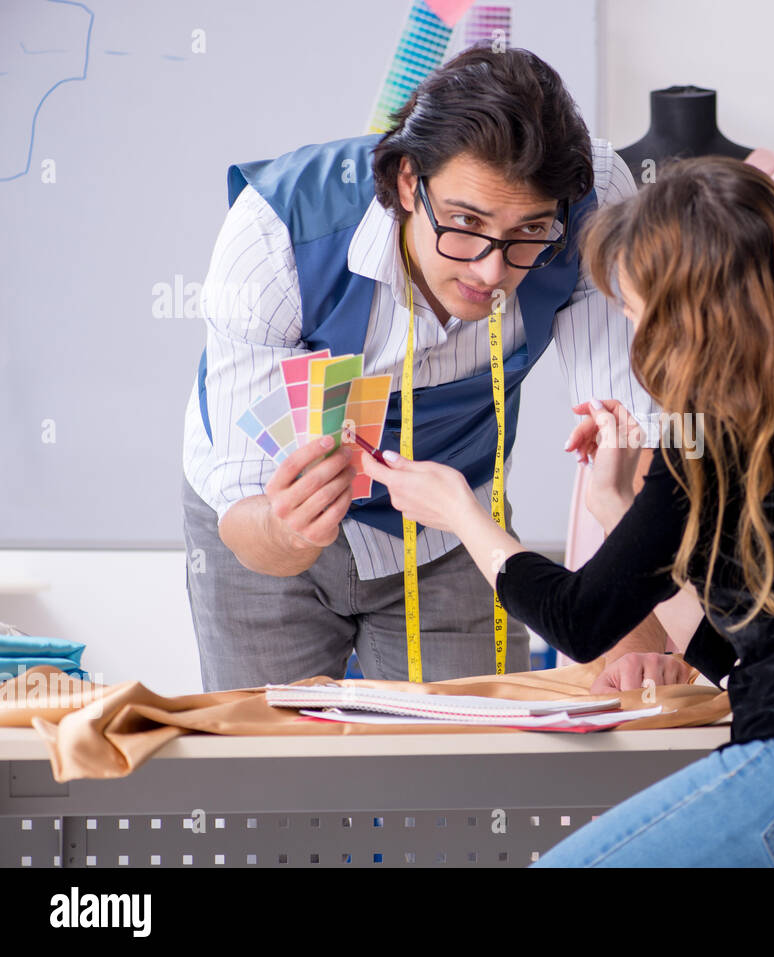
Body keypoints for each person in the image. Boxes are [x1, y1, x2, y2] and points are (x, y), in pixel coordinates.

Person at [358, 155, 774, 867]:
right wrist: (614, 501)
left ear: (690, 315)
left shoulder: (718, 426)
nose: (636, 338)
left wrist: (460, 511)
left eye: (637, 312)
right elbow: (755, 655)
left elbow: (578, 620)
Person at [180, 44, 693, 692]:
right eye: (464, 222)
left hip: (454, 526)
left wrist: (632, 638)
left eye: (529, 231)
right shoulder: (275, 237)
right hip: (268, 518)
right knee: (274, 776)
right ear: (405, 181)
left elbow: (630, 439)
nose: (490, 270)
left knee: (470, 775)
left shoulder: (594, 202)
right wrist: (291, 527)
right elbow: (246, 514)